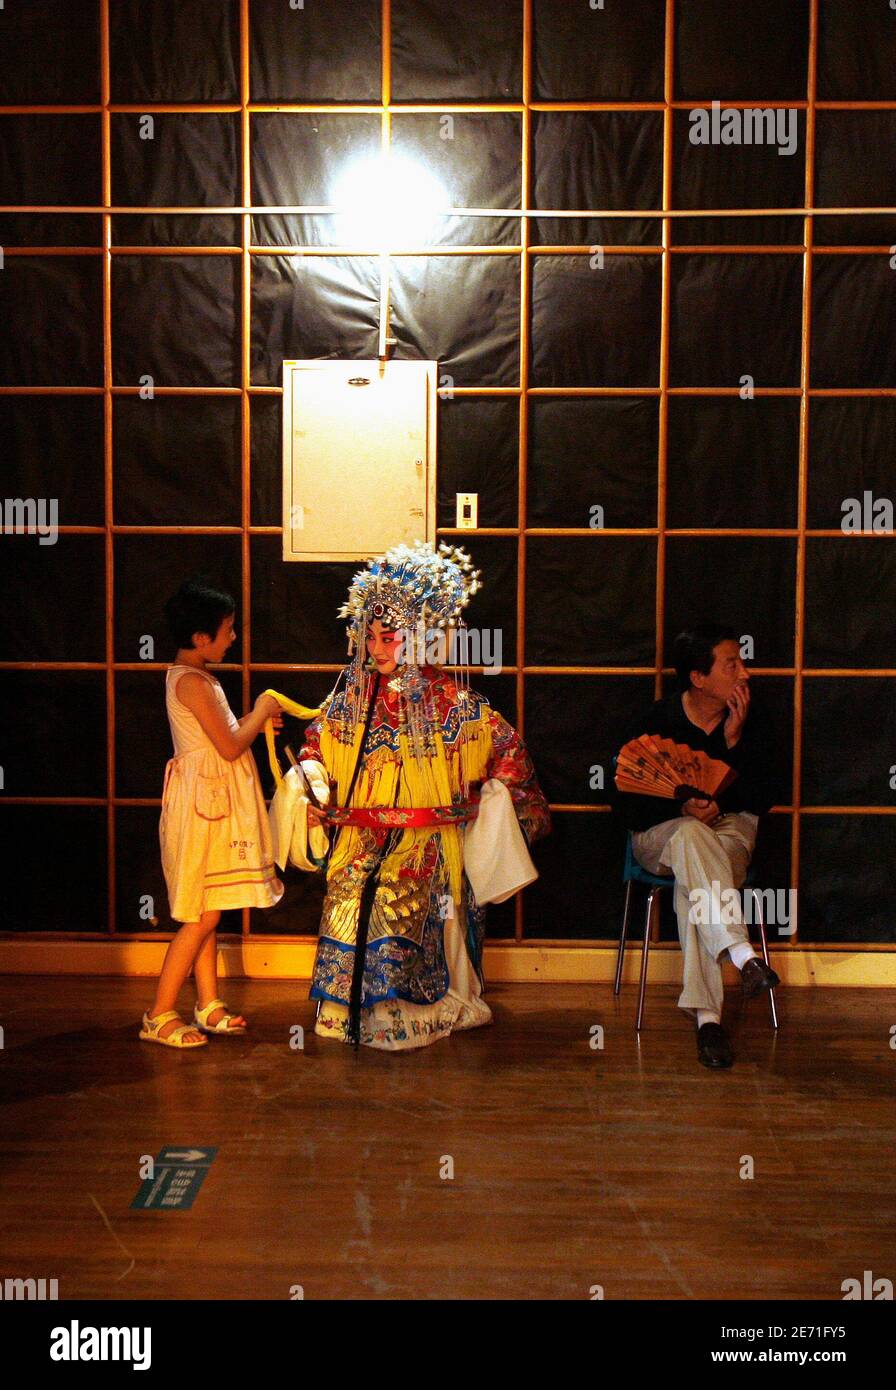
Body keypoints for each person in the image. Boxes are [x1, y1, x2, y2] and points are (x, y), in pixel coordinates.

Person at [281, 541, 551, 1051]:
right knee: (349, 886)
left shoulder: (462, 708)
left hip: (431, 842)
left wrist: (487, 803)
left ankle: (411, 1011)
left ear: (424, 638)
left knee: (394, 890)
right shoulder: (353, 698)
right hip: (363, 838)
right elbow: (316, 746)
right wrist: (313, 778)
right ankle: (345, 1012)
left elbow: (515, 775)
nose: (377, 650)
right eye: (370, 638)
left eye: (390, 638)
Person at [613, 624, 780, 1069]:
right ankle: (742, 954)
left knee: (697, 885)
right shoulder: (654, 721)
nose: (744, 674)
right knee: (690, 838)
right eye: (733, 665)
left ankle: (709, 1020)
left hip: (729, 833)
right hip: (661, 836)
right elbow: (625, 802)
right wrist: (684, 810)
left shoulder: (754, 722)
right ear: (698, 677)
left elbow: (763, 800)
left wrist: (733, 743)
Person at [140, 578, 285, 1048]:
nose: (234, 637)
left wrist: (254, 719)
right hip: (203, 806)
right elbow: (227, 747)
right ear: (201, 638)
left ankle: (207, 1003)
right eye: (228, 630)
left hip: (211, 802)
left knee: (209, 908)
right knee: (198, 913)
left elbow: (222, 735)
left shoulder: (198, 678)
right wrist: (262, 710)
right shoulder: (192, 682)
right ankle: (159, 1013)